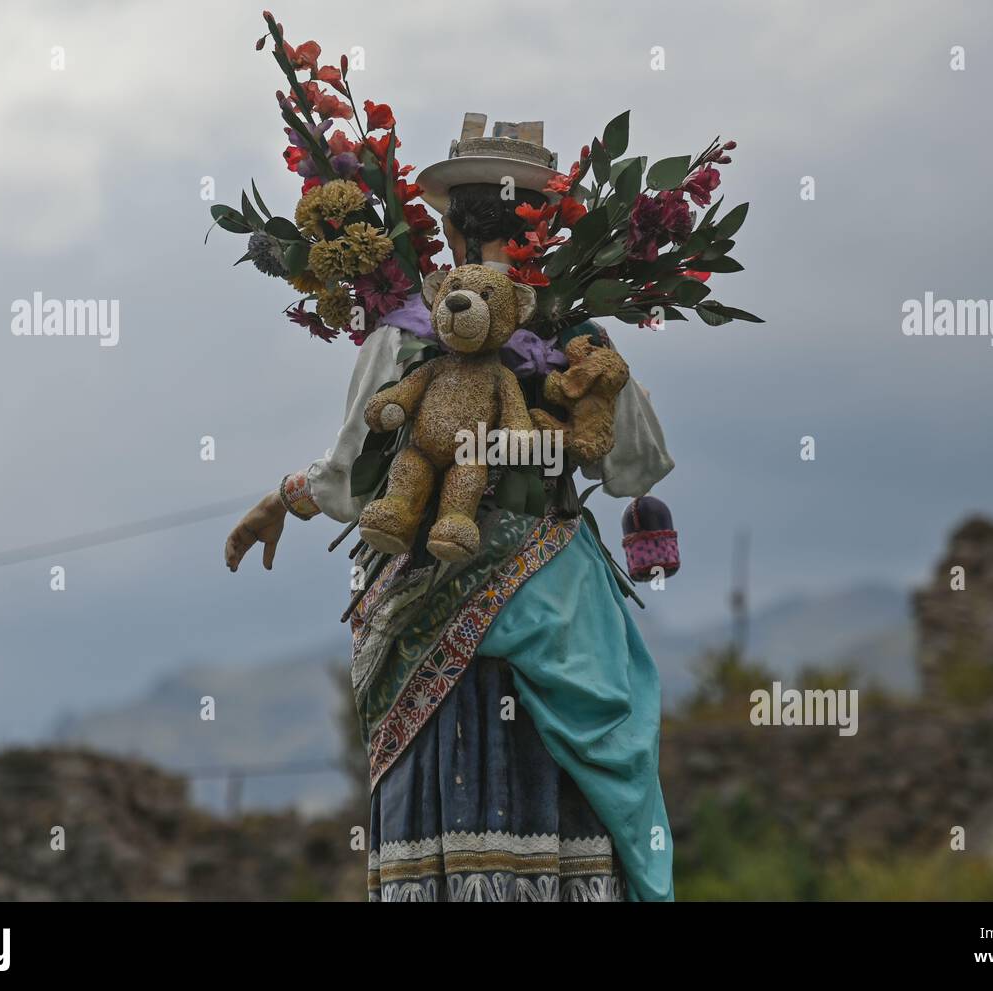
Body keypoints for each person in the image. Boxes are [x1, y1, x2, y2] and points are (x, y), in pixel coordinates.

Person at [224, 117, 676, 901]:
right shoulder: (581, 337)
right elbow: (635, 467)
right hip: (564, 615)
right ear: (549, 225)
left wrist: (284, 495)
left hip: (429, 589)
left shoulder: (406, 340)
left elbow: (350, 486)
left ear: (444, 227)